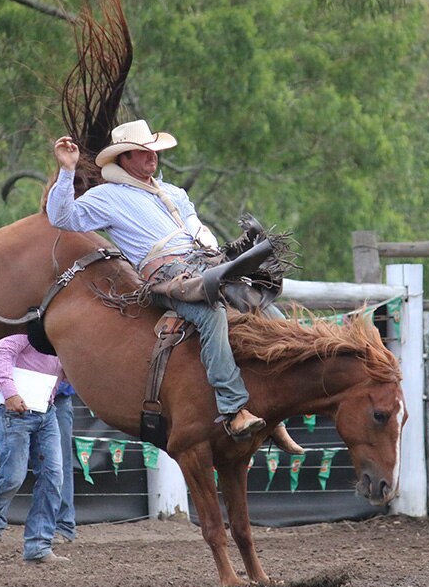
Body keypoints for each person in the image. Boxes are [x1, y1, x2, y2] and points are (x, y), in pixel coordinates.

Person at [46, 119, 287, 444]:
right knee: (211, 315)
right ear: (124, 158)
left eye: (153, 151)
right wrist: (66, 170)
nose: (152, 158)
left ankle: (279, 406)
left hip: (203, 264)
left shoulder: (173, 192)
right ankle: (233, 408)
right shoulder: (106, 197)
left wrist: (214, 247)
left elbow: (193, 224)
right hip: (166, 277)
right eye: (142, 152)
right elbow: (62, 217)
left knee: (263, 305)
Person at [0, 334, 74, 565]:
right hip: (17, 411)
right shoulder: (30, 331)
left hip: (43, 410)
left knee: (50, 476)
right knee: (13, 477)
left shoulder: (59, 338)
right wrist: (10, 392)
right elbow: (2, 352)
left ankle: (38, 546)